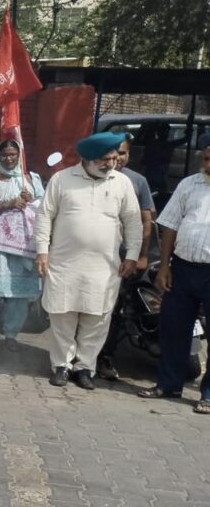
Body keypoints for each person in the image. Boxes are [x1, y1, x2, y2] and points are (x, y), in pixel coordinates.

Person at [35, 131, 142, 390]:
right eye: (105, 159)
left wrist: (132, 256)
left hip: (104, 267)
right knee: (63, 315)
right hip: (64, 263)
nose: (111, 164)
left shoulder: (121, 183)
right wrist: (42, 251)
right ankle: (61, 365)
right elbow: (44, 216)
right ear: (88, 159)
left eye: (114, 158)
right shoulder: (62, 179)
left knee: (96, 318)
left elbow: (133, 222)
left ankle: (85, 368)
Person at [138, 133, 210, 409]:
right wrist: (165, 266)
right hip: (182, 269)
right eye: (205, 157)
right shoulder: (188, 185)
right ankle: (168, 385)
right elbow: (170, 225)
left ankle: (208, 395)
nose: (207, 162)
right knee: (173, 328)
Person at [0, 140, 45, 352]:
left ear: (19, 155)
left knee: (18, 295)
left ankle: (11, 334)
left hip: (23, 247)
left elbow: (44, 209)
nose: (9, 159)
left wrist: (31, 199)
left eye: (13, 154)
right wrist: (8, 204)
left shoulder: (30, 179)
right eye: (4, 154)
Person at [97, 135, 156, 380]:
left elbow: (146, 221)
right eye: (114, 153)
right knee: (95, 308)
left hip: (124, 258)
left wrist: (141, 256)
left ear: (128, 155)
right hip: (99, 255)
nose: (118, 158)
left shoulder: (137, 181)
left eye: (122, 153)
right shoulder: (95, 176)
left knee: (116, 309)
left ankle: (105, 358)